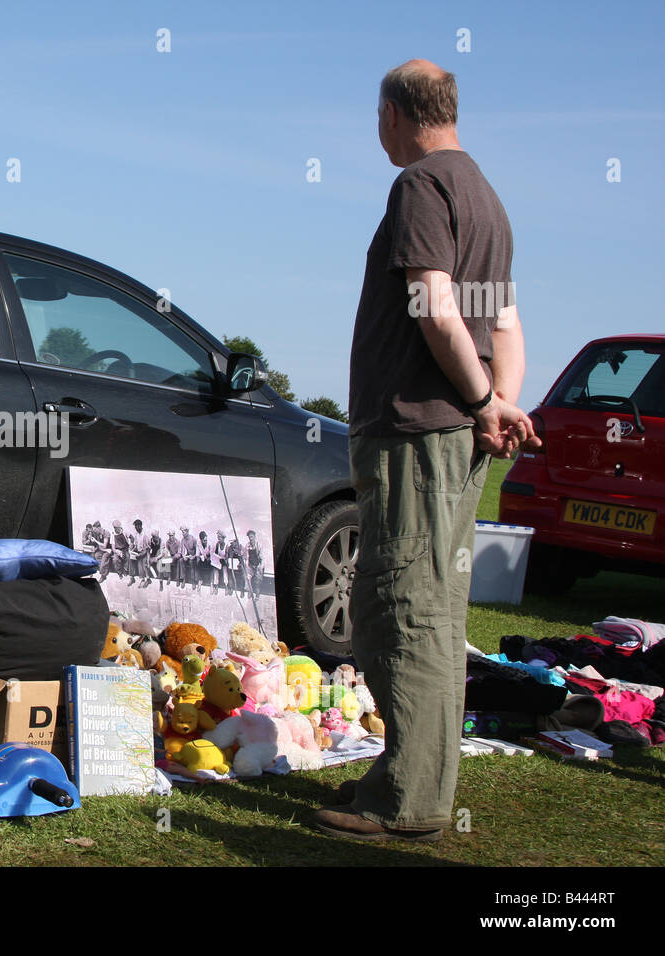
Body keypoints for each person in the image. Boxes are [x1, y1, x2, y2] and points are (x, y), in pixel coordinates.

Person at [310, 60, 539, 842]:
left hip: (416, 431)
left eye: (379, 117)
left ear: (397, 113)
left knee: (402, 606)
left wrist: (481, 403)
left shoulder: (420, 187)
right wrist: (500, 402)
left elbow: (436, 302)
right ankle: (413, 781)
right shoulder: (486, 197)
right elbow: (503, 321)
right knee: (436, 605)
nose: (378, 132)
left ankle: (408, 801)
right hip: (456, 433)